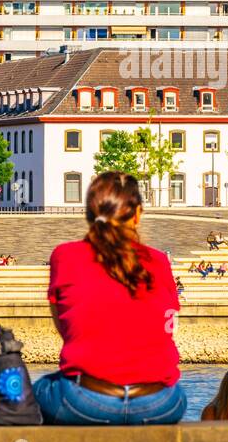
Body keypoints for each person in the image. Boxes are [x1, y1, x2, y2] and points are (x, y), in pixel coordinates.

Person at [33, 172, 186, 425]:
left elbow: (66, 328)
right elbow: (169, 325)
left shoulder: (65, 256)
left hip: (86, 401)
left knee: (41, 388)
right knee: (178, 392)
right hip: (159, 403)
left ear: (90, 214)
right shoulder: (158, 261)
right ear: (137, 214)